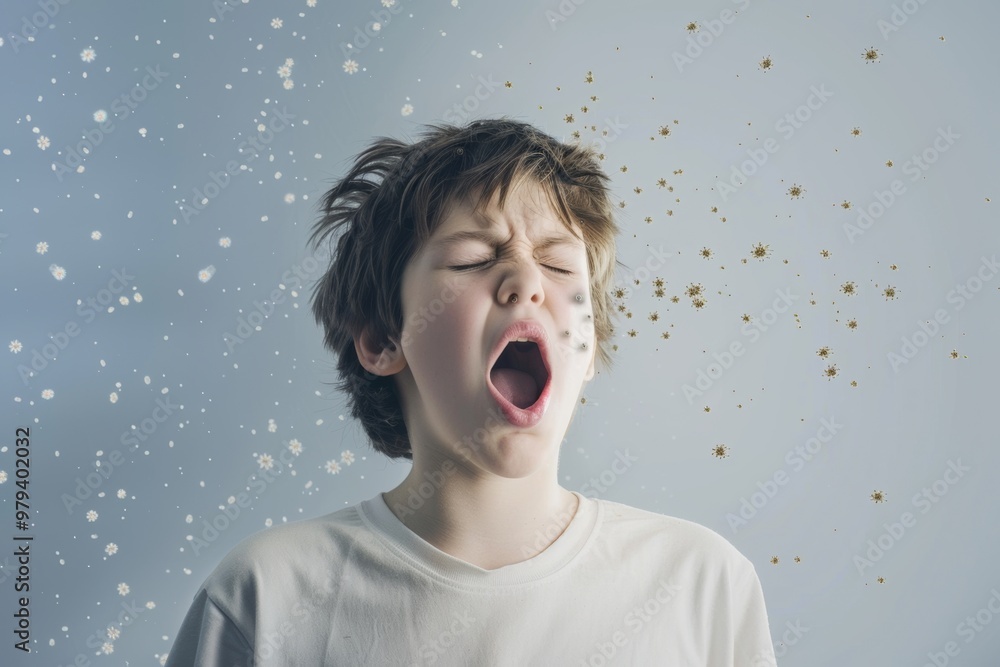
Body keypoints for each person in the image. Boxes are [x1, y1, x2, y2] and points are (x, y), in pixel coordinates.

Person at [165, 118, 777, 665]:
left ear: (588, 348)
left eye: (561, 266)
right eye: (470, 260)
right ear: (382, 337)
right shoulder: (267, 595)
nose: (526, 281)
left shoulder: (700, 583)